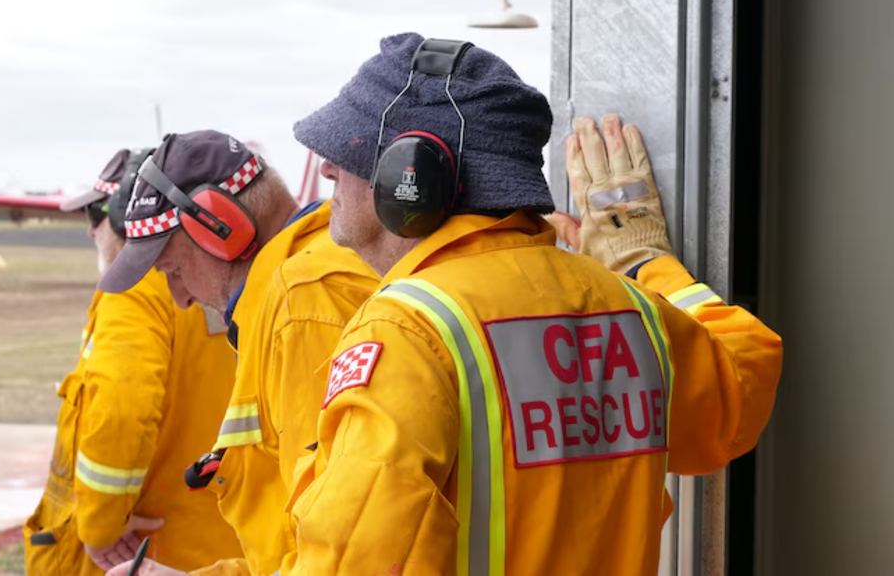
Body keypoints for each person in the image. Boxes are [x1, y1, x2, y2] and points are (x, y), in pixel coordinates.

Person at [277, 33, 783, 575]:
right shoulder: (631, 309)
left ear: (412, 178)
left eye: (347, 151)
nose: (327, 170)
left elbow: (352, 561)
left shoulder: (407, 331)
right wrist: (645, 262)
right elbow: (744, 381)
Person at [98, 130, 379, 576]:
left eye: (173, 269)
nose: (180, 298)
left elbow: (346, 550)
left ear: (220, 228)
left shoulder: (303, 304)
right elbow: (308, 543)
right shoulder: (306, 278)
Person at [22, 148, 243, 576]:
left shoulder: (135, 291)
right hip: (227, 545)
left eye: (95, 214)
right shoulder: (219, 283)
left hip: (148, 555)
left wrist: (100, 527)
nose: (90, 230)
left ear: (128, 217)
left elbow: (122, 407)